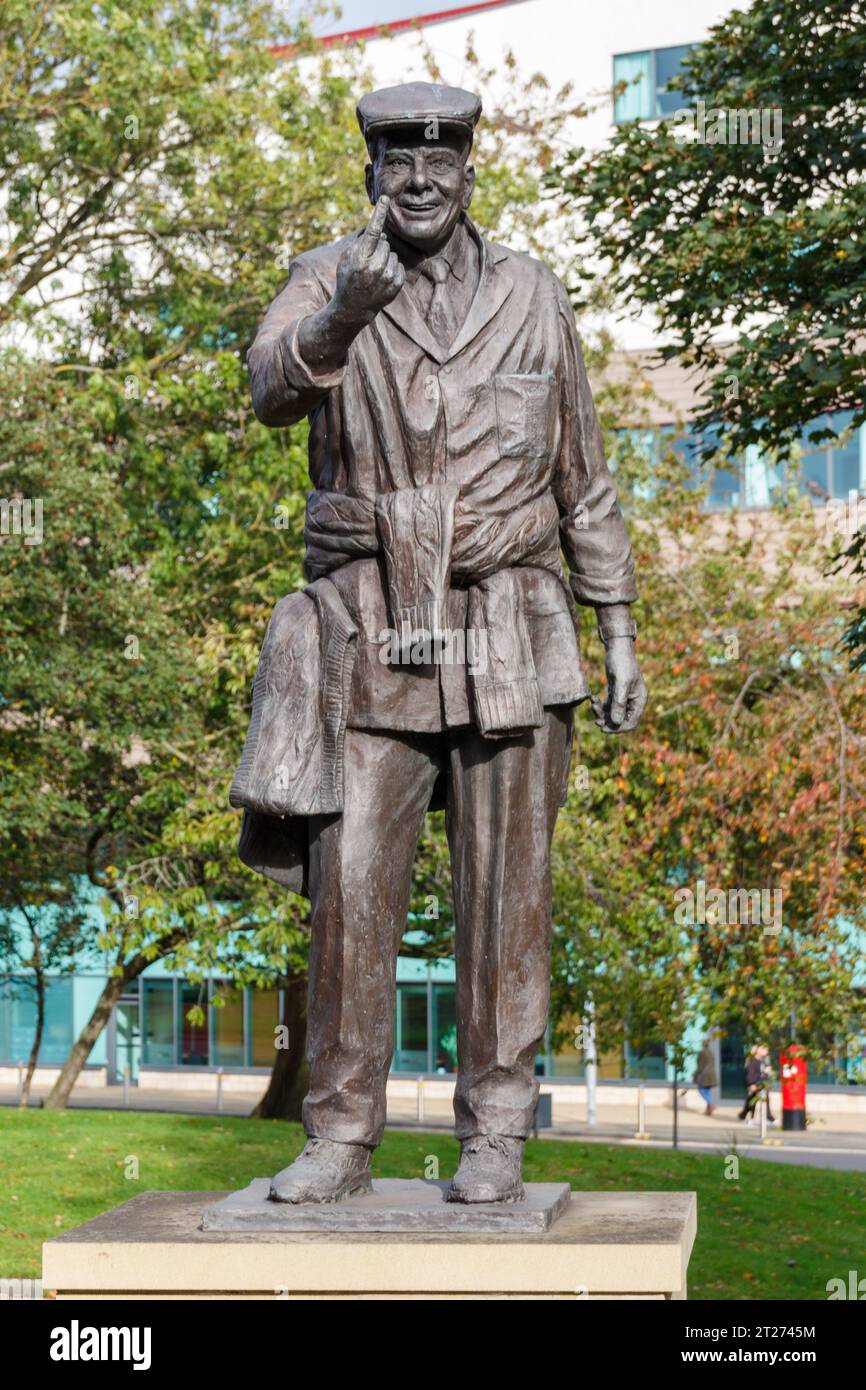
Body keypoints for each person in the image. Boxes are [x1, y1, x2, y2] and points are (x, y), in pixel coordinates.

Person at [233, 82, 646, 1204]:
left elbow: (584, 477)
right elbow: (269, 388)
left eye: (440, 163)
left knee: (508, 895)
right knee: (351, 887)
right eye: (397, 165)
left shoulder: (529, 293)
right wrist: (341, 318)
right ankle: (339, 1132)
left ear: (469, 173)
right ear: (371, 175)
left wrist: (615, 627)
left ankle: (496, 1129)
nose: (419, 182)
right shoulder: (331, 276)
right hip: (371, 623)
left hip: (508, 621)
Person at [738, 1043, 776, 1123]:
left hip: (761, 1084)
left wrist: (768, 1073)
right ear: (758, 1050)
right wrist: (752, 1084)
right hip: (755, 1084)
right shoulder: (753, 1061)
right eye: (764, 1049)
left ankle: (768, 1116)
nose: (766, 1051)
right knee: (752, 1101)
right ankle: (746, 1115)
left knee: (763, 1100)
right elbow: (750, 1075)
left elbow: (764, 1073)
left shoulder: (763, 1061)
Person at [694, 1036, 717, 1115]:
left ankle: (711, 1104)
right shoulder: (711, 1053)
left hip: (705, 1074)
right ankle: (708, 1110)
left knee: (701, 1090)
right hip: (711, 1074)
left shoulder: (702, 1052)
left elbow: (700, 1065)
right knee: (707, 1091)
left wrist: (695, 1074)